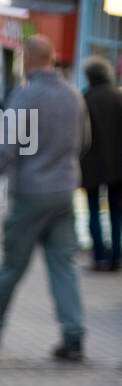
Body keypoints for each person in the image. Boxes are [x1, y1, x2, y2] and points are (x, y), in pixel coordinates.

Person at [0, 35, 91, 362]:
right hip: (64, 191)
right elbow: (84, 141)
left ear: (28, 61)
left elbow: (7, 149)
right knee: (63, 264)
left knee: (12, 263)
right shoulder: (73, 95)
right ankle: (73, 334)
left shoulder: (25, 96)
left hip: (32, 193)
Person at [80, 57, 122, 272]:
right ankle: (117, 256)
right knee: (116, 214)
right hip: (117, 168)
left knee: (94, 212)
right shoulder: (119, 97)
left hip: (92, 167)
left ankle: (100, 257)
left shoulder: (85, 99)